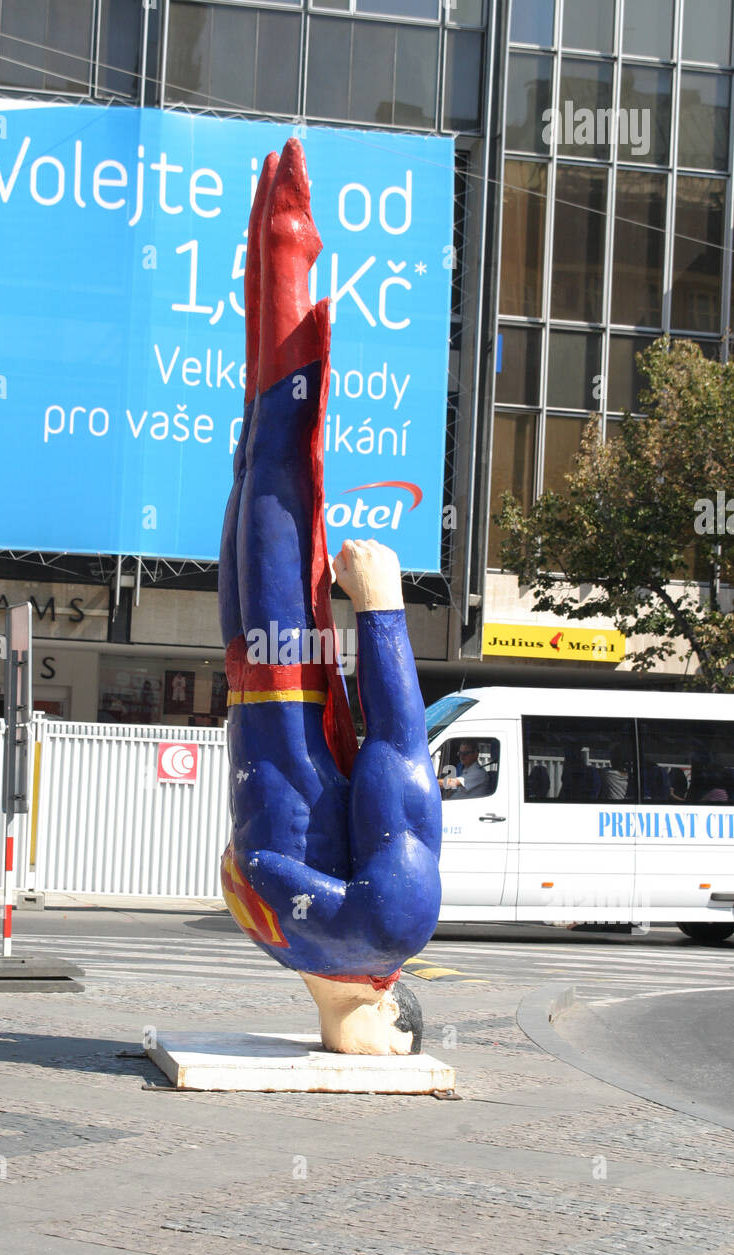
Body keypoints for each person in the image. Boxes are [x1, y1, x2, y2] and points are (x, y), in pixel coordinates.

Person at [217, 140, 442, 1056]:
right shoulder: (390, 928)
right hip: (282, 683)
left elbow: (396, 758)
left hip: (268, 682)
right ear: (395, 1016)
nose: (391, 1049)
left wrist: (381, 613)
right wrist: (381, 611)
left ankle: (279, 245)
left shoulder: (327, 944)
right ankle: (282, 243)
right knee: (271, 469)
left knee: (259, 467)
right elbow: (396, 757)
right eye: (403, 1044)